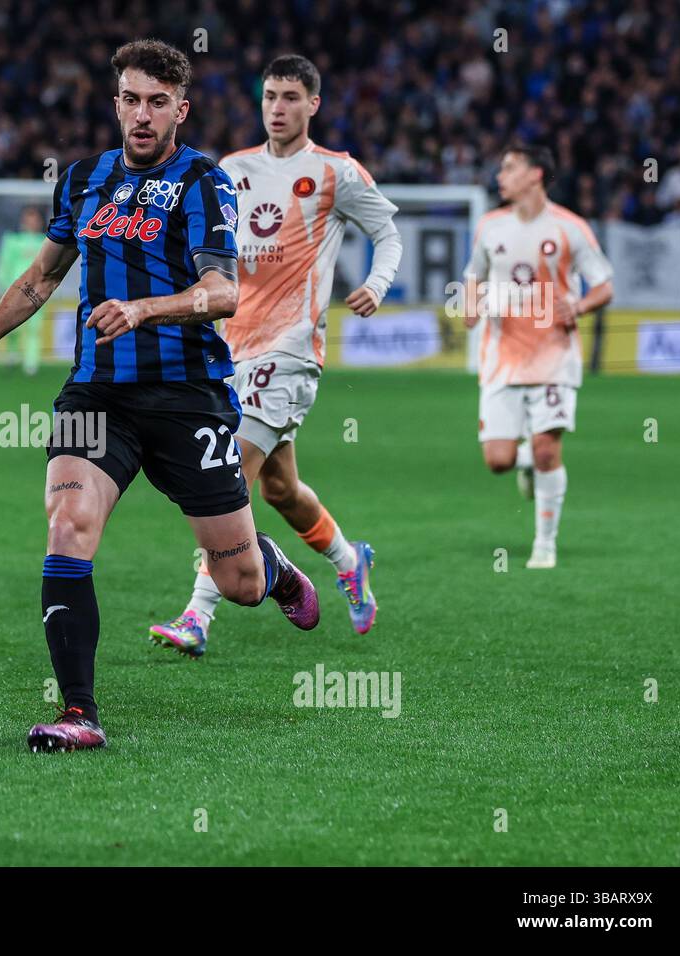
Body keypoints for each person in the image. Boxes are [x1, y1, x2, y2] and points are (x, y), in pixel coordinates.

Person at [0, 39, 318, 752]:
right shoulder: (82, 180)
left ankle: (269, 561)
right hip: (97, 394)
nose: (142, 115)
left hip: (187, 396)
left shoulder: (203, 182)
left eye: (157, 103)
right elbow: (41, 281)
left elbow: (224, 291)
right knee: (67, 525)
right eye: (131, 99)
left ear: (180, 109)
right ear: (116, 103)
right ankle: (80, 714)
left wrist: (144, 308)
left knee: (237, 582)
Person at [150, 54, 402, 656]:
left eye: (291, 97)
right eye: (269, 97)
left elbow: (388, 233)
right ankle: (350, 560)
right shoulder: (229, 170)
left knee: (228, 472)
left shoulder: (334, 172)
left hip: (291, 349)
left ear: (313, 104)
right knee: (280, 490)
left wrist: (375, 284)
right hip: (229, 349)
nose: (278, 108)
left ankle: (197, 615)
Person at [463, 143, 614, 569]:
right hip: (502, 357)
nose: (500, 176)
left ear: (535, 174)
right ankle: (525, 460)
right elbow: (473, 274)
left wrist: (580, 307)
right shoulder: (490, 226)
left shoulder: (570, 228)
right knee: (498, 461)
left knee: (549, 449)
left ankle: (544, 544)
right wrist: (470, 304)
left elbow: (604, 284)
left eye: (509, 168)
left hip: (553, 356)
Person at [0, 206, 49, 374]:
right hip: (14, 289)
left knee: (34, 327)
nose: (31, 222)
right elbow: (4, 264)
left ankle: (31, 363)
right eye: (28, 219)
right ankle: (13, 355)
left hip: (38, 289)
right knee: (11, 325)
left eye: (34, 219)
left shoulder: (46, 242)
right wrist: (0, 284)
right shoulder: (12, 241)